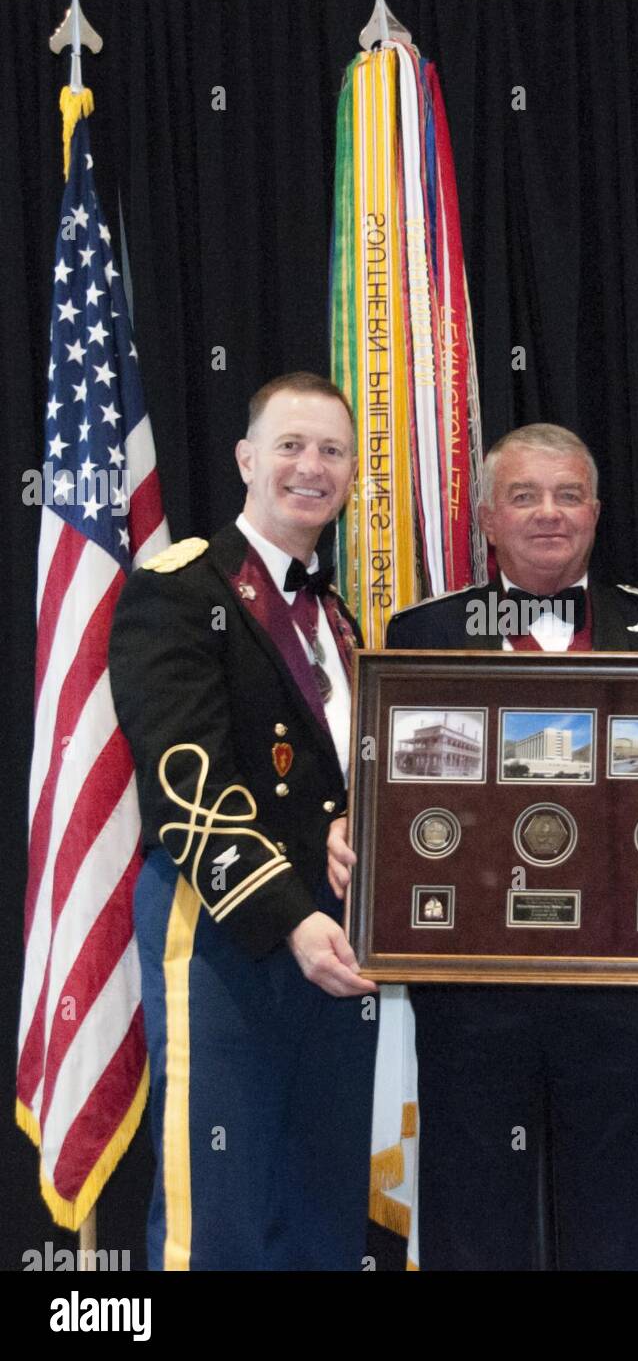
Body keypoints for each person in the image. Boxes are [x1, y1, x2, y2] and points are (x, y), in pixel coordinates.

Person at [330, 422, 638, 1270]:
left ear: (597, 513)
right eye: (525, 496)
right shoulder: (419, 635)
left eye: (569, 496)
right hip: (470, 983)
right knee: (471, 1210)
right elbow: (388, 790)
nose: (549, 514)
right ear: (486, 518)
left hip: (624, 983)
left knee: (621, 1214)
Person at [109, 372, 377, 1271]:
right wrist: (291, 919)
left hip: (336, 941)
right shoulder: (181, 589)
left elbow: (337, 786)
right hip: (228, 933)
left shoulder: (339, 621)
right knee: (218, 1214)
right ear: (246, 459)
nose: (312, 466)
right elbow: (187, 787)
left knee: (323, 1205)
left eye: (332, 451)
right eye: (292, 446)